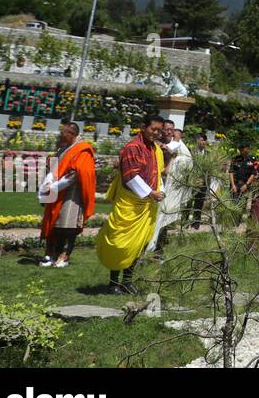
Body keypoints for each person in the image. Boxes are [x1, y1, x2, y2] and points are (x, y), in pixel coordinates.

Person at [96, 114, 165, 293]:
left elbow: (158, 174)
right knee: (121, 242)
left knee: (139, 244)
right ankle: (114, 283)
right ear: (143, 127)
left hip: (147, 205)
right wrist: (151, 193)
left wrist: (161, 190)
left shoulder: (156, 149)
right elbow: (131, 176)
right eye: (153, 129)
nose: (156, 133)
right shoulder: (132, 147)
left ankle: (127, 280)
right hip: (130, 204)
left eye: (159, 130)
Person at [38, 121, 96, 268]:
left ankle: (64, 256)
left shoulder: (83, 149)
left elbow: (78, 173)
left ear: (72, 134)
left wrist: (55, 186)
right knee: (55, 225)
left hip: (73, 193)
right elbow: (55, 167)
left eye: (64, 133)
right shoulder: (63, 147)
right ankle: (52, 255)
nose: (61, 136)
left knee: (68, 227)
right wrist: (47, 184)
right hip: (57, 191)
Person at [150, 120, 192, 253]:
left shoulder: (177, 146)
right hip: (157, 187)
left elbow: (187, 160)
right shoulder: (158, 144)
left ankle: (158, 251)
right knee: (155, 221)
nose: (169, 132)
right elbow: (166, 158)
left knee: (164, 222)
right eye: (167, 129)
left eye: (171, 130)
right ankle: (149, 248)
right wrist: (175, 144)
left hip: (171, 189)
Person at [189, 134, 210, 229]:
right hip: (192, 181)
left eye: (204, 140)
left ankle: (196, 223)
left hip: (203, 182)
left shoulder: (208, 154)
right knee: (188, 202)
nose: (203, 142)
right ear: (197, 140)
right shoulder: (191, 152)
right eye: (201, 140)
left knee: (199, 203)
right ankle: (184, 222)